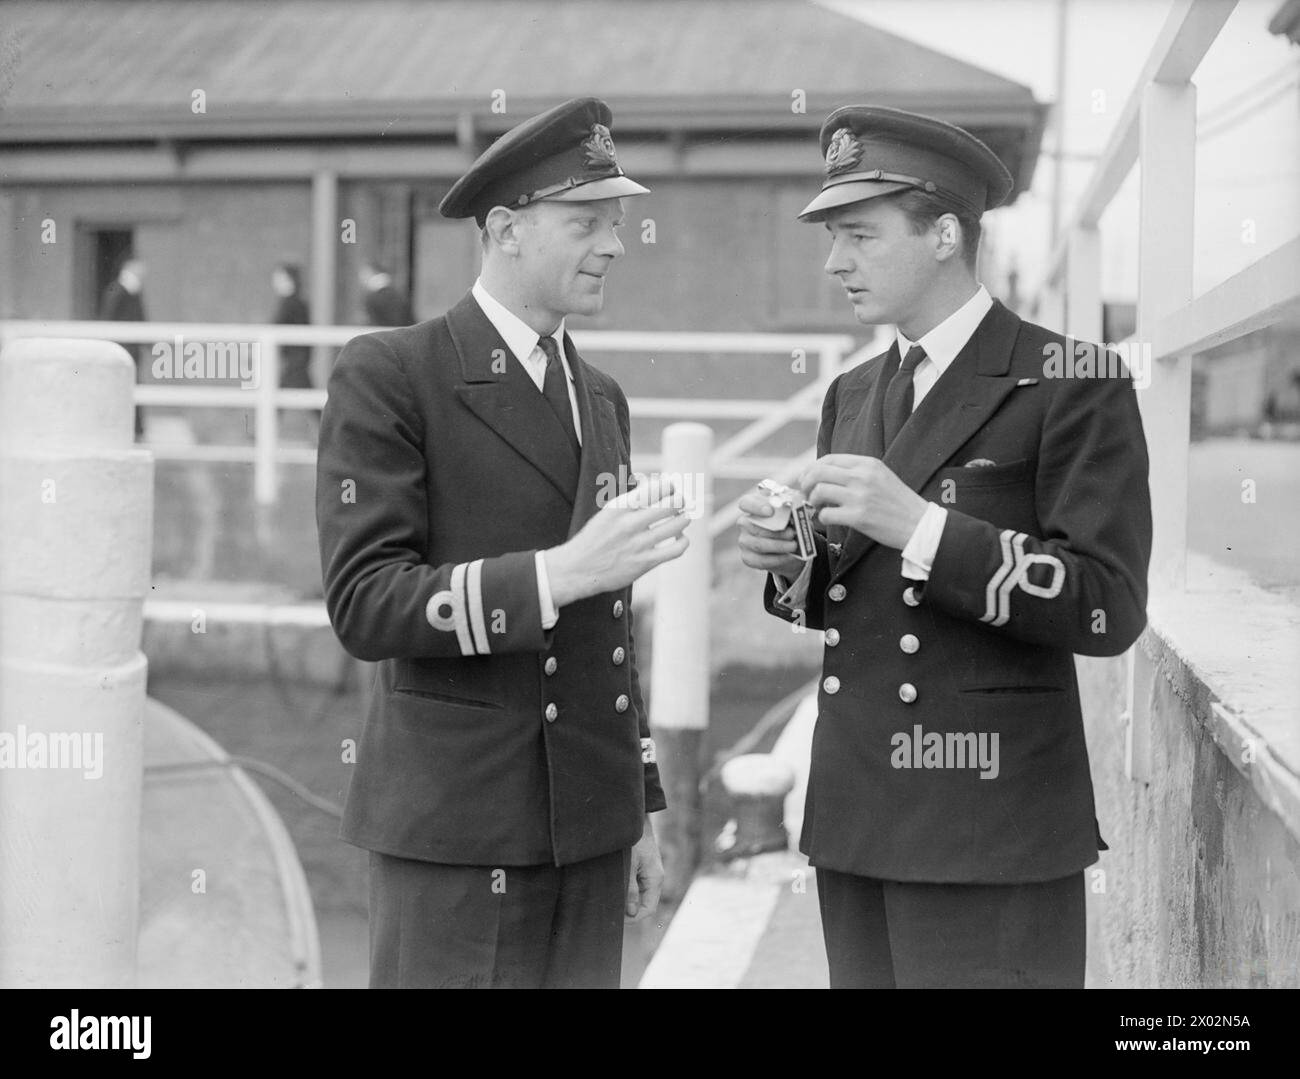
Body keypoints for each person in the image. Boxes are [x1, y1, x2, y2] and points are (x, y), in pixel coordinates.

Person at [737, 105, 1152, 988]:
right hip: (854, 817)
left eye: (858, 234)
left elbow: (1108, 604)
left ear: (944, 234)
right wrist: (790, 560)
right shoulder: (853, 391)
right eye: (830, 237)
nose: (833, 261)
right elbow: (851, 588)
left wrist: (923, 526)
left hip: (987, 836)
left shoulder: (1073, 380)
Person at [316, 97, 688, 989]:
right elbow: (366, 601)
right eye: (586, 222)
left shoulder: (601, 396)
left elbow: (612, 626)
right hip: (458, 832)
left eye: (617, 222)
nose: (613, 244)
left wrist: (635, 806)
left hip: (590, 837)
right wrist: (555, 574)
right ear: (505, 229)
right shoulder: (394, 373)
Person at [99, 254, 148, 438]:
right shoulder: (117, 291)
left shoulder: (132, 292)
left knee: (133, 388)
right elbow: (107, 320)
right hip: (122, 352)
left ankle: (136, 429)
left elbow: (140, 320)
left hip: (131, 352)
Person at [358, 259, 415, 326]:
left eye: (364, 274)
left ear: (372, 272)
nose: (361, 279)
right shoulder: (393, 293)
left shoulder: (376, 297)